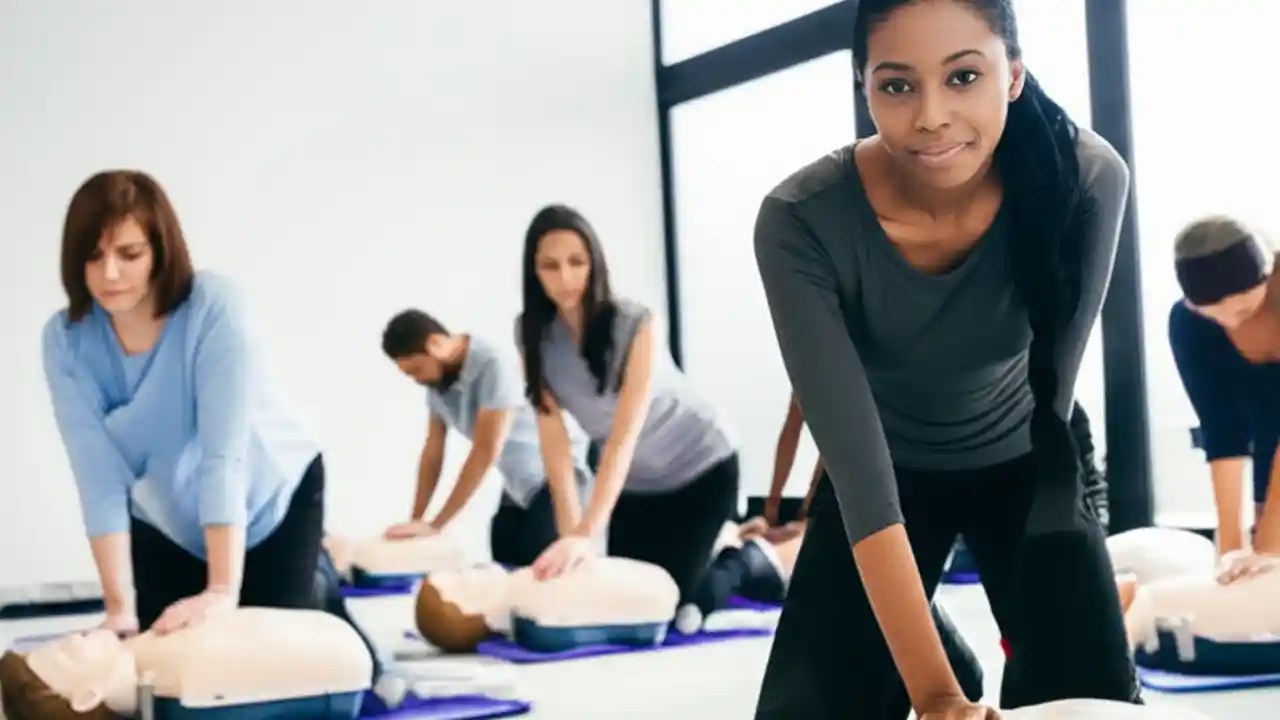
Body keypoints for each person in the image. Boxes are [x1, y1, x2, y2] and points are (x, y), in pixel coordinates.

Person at [752, 1, 1137, 717]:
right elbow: (860, 476)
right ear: (863, 86)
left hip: (1028, 453)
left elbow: (1055, 392)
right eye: (897, 86)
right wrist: (936, 694)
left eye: (963, 76)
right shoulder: (800, 220)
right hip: (886, 472)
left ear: (1013, 76)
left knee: (1088, 703)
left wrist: (1073, 585)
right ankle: (927, 651)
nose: (930, 116)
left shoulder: (1087, 176)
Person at [41, 171, 326, 638]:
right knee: (167, 657)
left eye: (129, 254)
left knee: (272, 654)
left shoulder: (215, 306)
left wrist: (220, 591)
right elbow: (98, 480)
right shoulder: (65, 340)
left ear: (160, 249)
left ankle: (319, 584)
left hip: (267, 498)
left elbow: (223, 457)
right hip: (167, 514)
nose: (109, 273)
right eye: (93, 257)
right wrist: (119, 610)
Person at [515, 204, 740, 620]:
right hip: (636, 484)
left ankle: (743, 559)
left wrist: (588, 532)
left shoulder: (635, 323)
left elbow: (623, 436)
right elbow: (557, 448)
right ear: (534, 271)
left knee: (679, 605)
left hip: (701, 466)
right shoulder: (533, 335)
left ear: (594, 263)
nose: (565, 278)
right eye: (550, 266)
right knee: (625, 601)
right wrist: (572, 539)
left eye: (576, 262)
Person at [379, 309, 595, 566]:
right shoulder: (438, 384)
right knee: (504, 558)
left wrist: (436, 525)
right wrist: (416, 520)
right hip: (518, 485)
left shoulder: (493, 365)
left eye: (416, 369)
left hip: (559, 475)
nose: (416, 379)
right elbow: (433, 452)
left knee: (541, 571)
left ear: (435, 343)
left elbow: (485, 450)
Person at [1168, 215, 1280, 584]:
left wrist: (1266, 546)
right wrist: (1230, 547)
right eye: (1215, 317)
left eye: (1245, 311)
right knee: (1254, 573)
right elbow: (1223, 430)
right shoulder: (1190, 324)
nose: (1231, 324)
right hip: (1269, 441)